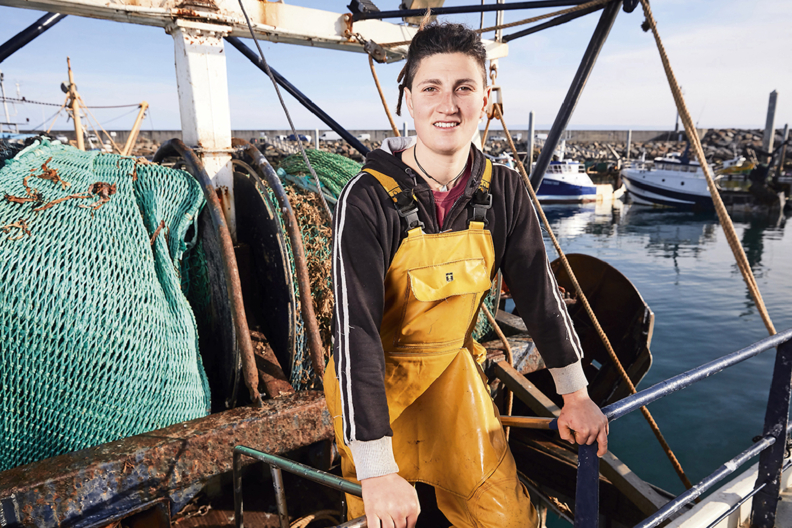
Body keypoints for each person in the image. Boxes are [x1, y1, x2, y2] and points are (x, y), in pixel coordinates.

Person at [324, 22, 609, 528]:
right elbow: (355, 333)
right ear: (407, 101)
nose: (447, 104)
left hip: (449, 374)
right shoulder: (366, 199)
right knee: (380, 517)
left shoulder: (505, 191)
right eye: (430, 88)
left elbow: (540, 295)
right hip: (375, 388)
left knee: (505, 514)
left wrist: (577, 394)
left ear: (486, 100)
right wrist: (374, 469)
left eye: (463, 88)